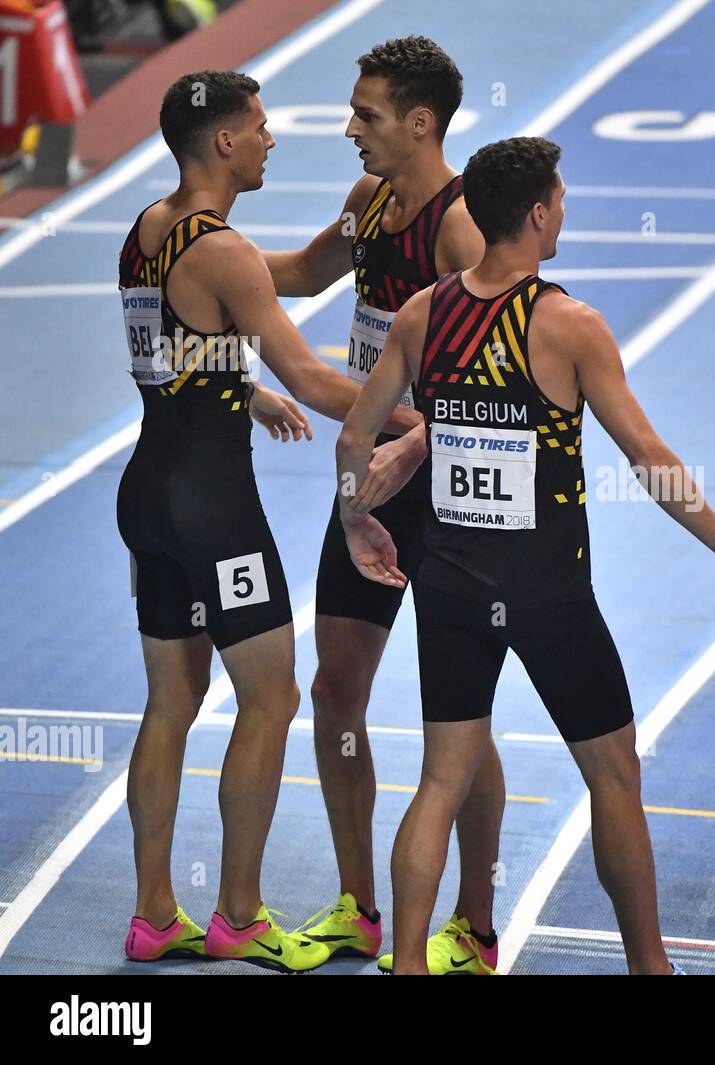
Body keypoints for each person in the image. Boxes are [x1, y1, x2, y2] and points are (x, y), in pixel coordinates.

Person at [335, 136, 715, 974]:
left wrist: (357, 523)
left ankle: (411, 964)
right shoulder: (568, 324)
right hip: (549, 592)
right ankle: (649, 965)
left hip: (449, 581)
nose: (563, 212)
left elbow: (356, 434)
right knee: (613, 777)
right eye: (558, 201)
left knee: (440, 779)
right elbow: (648, 456)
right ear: (535, 214)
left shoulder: (424, 312)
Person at [117, 69, 421, 972]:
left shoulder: (151, 231)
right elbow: (322, 382)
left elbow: (191, 336)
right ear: (223, 143)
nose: (271, 139)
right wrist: (418, 423)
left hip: (149, 496)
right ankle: (240, 914)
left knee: (171, 699)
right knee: (273, 695)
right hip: (215, 509)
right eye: (259, 127)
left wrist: (352, 233)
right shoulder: (226, 252)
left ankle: (152, 913)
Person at [260, 35, 497, 972]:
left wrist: (409, 433)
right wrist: (194, 237)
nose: (349, 127)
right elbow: (300, 276)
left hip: (443, 494)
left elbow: (489, 388)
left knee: (460, 717)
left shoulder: (459, 227)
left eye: (365, 114)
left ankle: (473, 926)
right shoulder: (370, 202)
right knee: (335, 690)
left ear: (419, 121)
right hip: (371, 484)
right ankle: (360, 907)